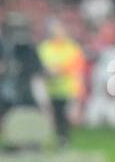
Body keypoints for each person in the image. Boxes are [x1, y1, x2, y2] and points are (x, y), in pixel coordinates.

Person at [0, 12, 44, 148]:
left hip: (22, 87)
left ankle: (32, 142)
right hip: (1, 87)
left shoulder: (28, 47)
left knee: (31, 112)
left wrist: (21, 68)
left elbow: (37, 67)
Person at [37, 20, 86, 148]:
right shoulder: (44, 47)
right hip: (49, 89)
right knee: (52, 116)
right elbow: (39, 64)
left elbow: (77, 66)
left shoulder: (72, 48)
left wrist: (59, 70)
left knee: (65, 117)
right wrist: (48, 71)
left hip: (67, 89)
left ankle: (64, 140)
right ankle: (50, 139)